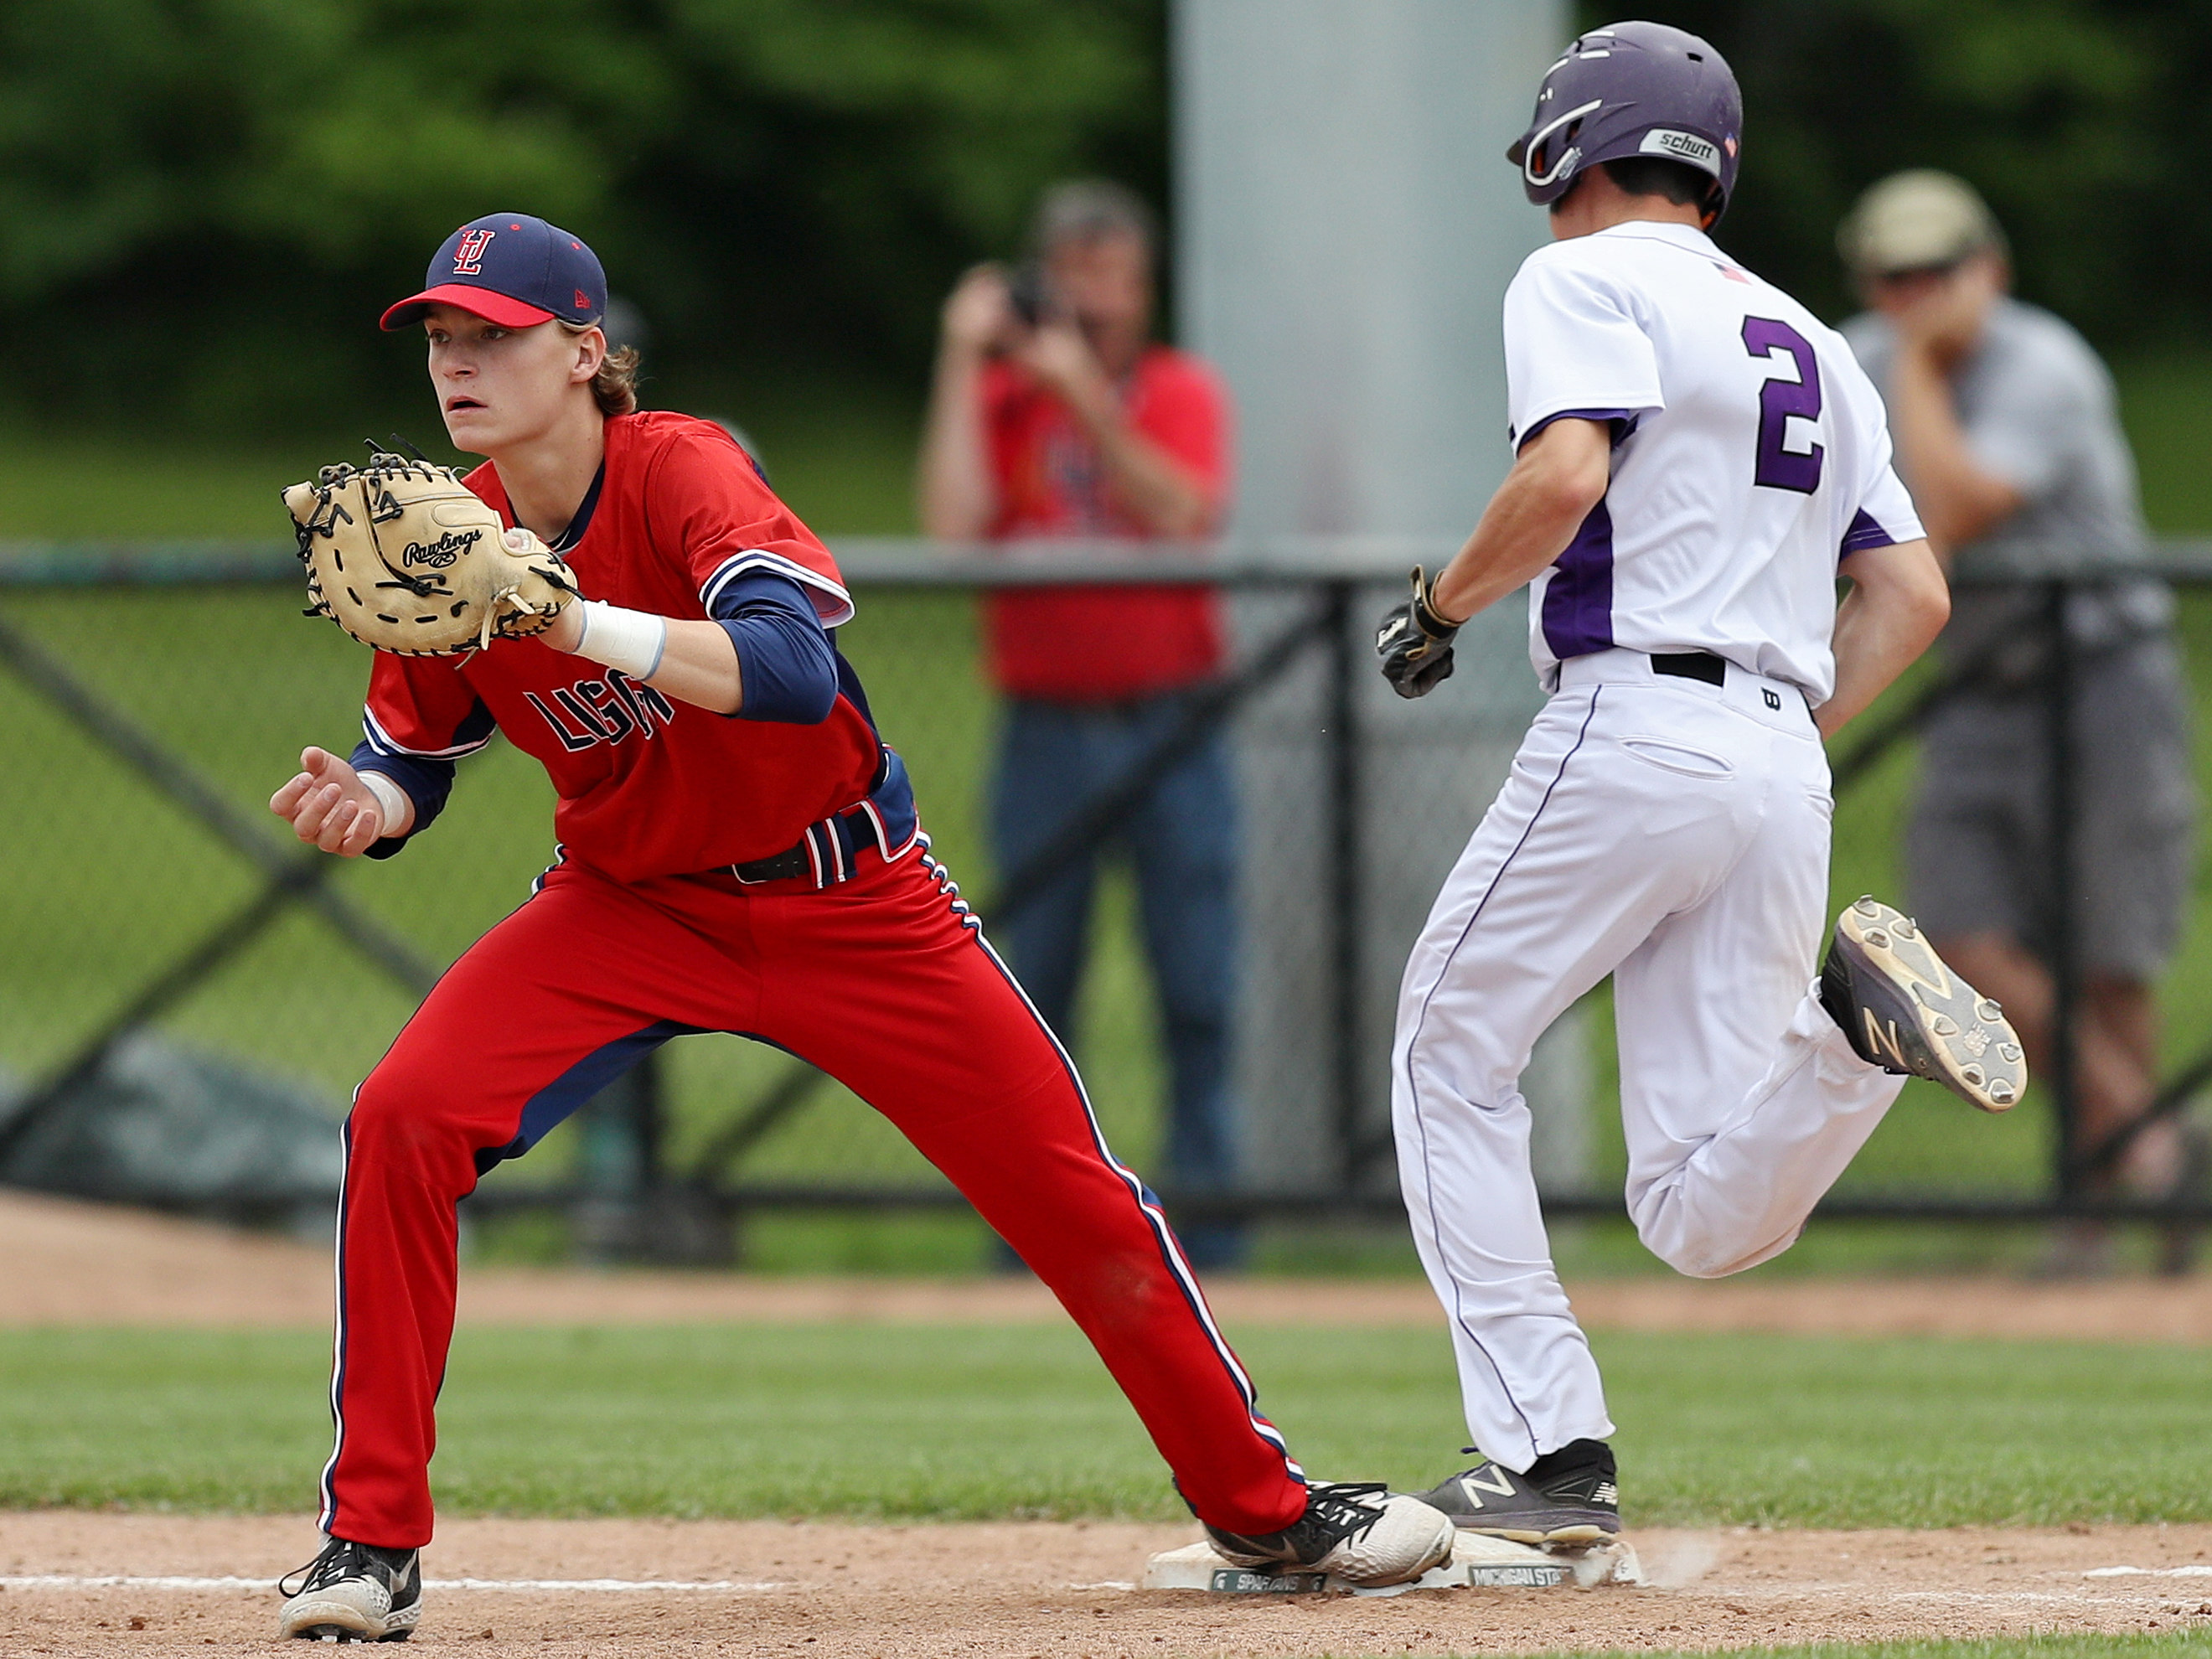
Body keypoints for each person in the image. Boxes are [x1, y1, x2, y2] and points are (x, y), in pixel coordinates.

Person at [265, 213, 1451, 1641]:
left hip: (854, 899)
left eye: (494, 335)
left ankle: (1266, 1514)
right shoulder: (451, 542)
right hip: (630, 907)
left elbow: (785, 664)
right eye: (443, 339)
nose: (459, 362)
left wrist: (572, 619)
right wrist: (374, 806)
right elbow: (417, 748)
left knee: (1073, 1202)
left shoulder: (682, 468)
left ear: (584, 354)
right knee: (404, 1113)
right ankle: (367, 1546)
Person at [1372, 23, 2024, 1545]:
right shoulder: (1821, 344)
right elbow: (1914, 596)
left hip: (1630, 717)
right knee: (1695, 1213)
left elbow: (1562, 479)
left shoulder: (1580, 276)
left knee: (1444, 1046)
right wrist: (1786, 732)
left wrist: (1442, 612)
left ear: (1573, 147)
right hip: (1780, 753)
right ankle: (1856, 1043)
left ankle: (1547, 1456)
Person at [1836, 171, 2199, 1274]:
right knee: (1953, 934)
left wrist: (1914, 366)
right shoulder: (1848, 357)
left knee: (2107, 959)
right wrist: (1905, 355)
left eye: (1936, 275)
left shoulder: (2044, 365)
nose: (1913, 296)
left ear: (1987, 268)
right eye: (1892, 279)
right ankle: (2166, 1158)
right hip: (1977, 688)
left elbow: (1950, 512)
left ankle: (2102, 1224)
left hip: (2102, 678)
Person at [917, 180, 1245, 1267]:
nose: (1096, 303)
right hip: (1046, 728)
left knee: (1195, 983)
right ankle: (1041, 1230)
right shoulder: (1007, 401)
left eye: (1115, 279)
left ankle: (1213, 1232)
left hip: (1172, 721)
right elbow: (955, 528)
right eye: (1076, 278)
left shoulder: (1178, 390)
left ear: (1146, 292)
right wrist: (967, 360)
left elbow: (1182, 513)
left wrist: (1089, 404)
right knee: (1033, 988)